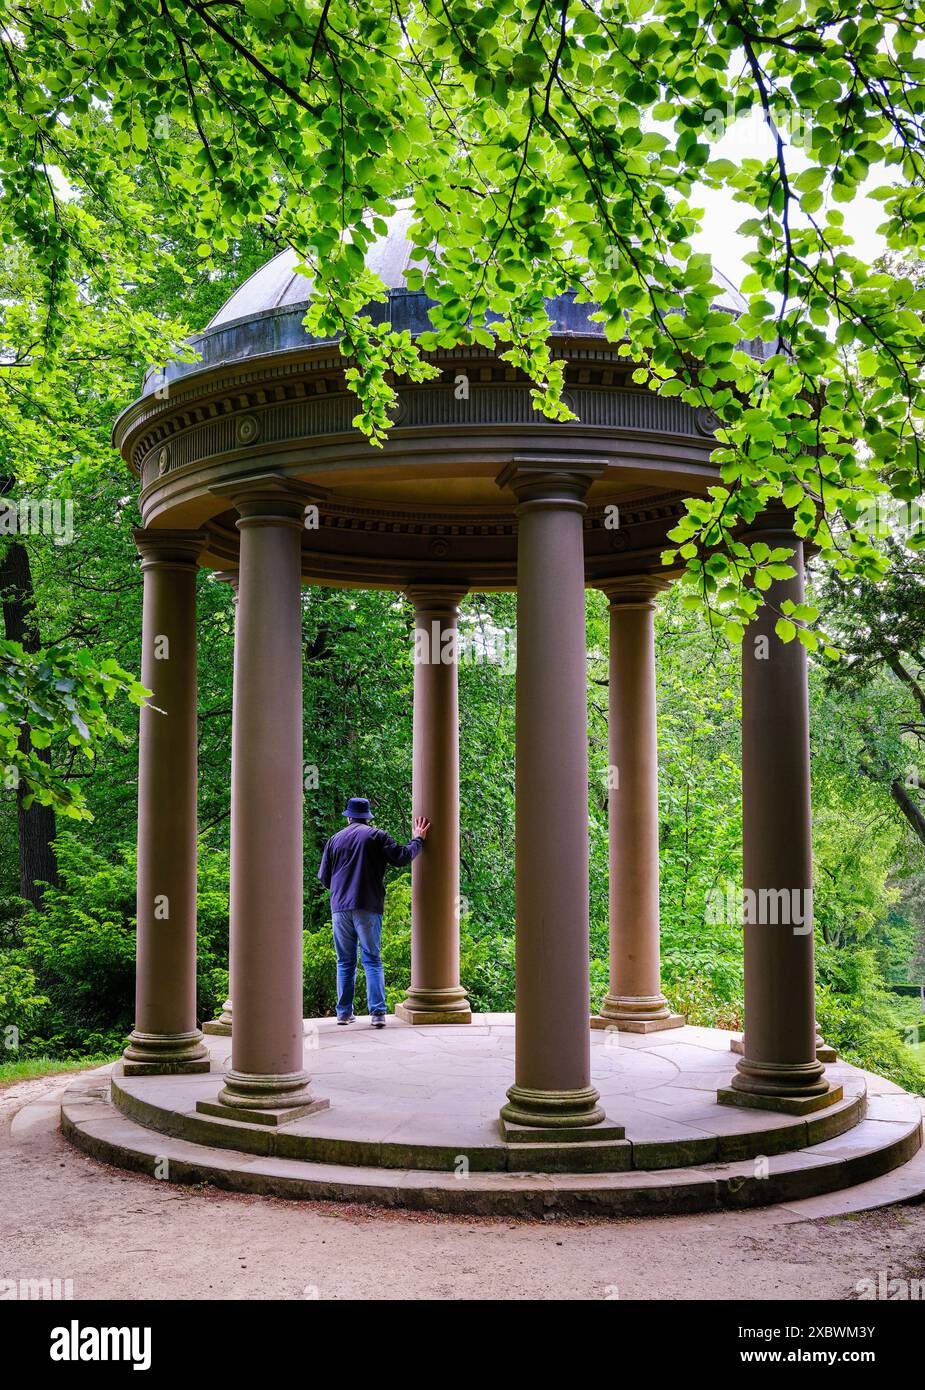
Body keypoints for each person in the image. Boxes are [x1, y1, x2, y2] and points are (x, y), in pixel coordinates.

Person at [318, 797, 431, 1028]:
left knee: (345, 962)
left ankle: (343, 1014)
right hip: (368, 906)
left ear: (348, 817)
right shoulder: (377, 836)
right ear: (367, 817)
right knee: (371, 959)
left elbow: (325, 879)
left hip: (340, 908)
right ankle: (377, 1014)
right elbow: (401, 857)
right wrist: (418, 839)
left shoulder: (333, 840)